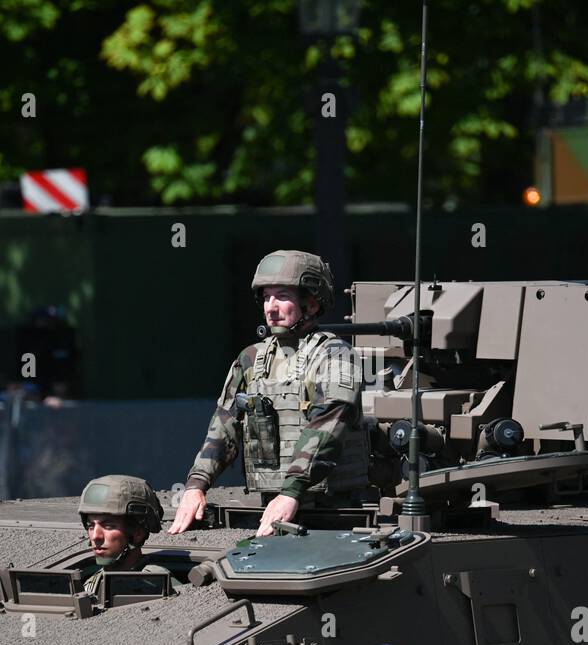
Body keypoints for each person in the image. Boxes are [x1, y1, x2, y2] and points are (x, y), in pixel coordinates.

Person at [168, 250, 370, 536]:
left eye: (282, 296)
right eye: (265, 297)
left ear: (312, 303)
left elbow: (328, 425)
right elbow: (224, 427)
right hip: (274, 506)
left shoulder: (336, 356)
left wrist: (291, 491)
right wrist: (196, 485)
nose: (270, 307)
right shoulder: (251, 358)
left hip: (334, 512)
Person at [77, 475, 169, 595]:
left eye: (108, 526)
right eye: (91, 526)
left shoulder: (159, 586)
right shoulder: (91, 585)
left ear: (138, 534)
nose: (95, 536)